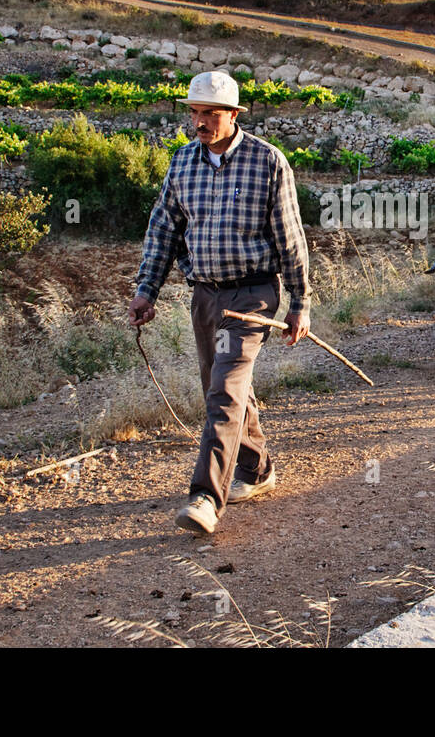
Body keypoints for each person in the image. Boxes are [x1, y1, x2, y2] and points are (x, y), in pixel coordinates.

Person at [128, 70, 311, 535]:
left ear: (232, 115)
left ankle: (206, 497)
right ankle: (258, 468)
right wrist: (146, 290)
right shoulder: (183, 163)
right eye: (194, 112)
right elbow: (164, 230)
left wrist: (299, 302)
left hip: (251, 293)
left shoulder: (268, 162)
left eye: (210, 113)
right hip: (205, 294)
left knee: (224, 390)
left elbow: (290, 238)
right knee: (224, 383)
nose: (200, 122)